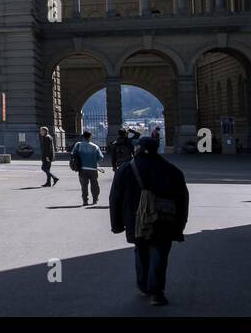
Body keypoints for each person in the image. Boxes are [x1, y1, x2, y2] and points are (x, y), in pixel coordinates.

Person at [109, 136, 189, 306]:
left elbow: (115, 198)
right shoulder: (172, 170)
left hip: (136, 219)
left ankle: (144, 284)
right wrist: (180, 225)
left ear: (137, 149)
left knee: (141, 250)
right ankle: (157, 292)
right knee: (160, 253)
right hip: (165, 219)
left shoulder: (126, 169)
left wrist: (116, 224)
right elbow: (182, 200)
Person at [71, 130, 104, 205]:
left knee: (84, 185)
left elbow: (73, 154)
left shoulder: (78, 145)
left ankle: (85, 200)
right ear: (90, 137)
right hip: (93, 169)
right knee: (94, 185)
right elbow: (101, 158)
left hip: (82, 169)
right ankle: (95, 199)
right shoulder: (95, 147)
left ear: (83, 137)